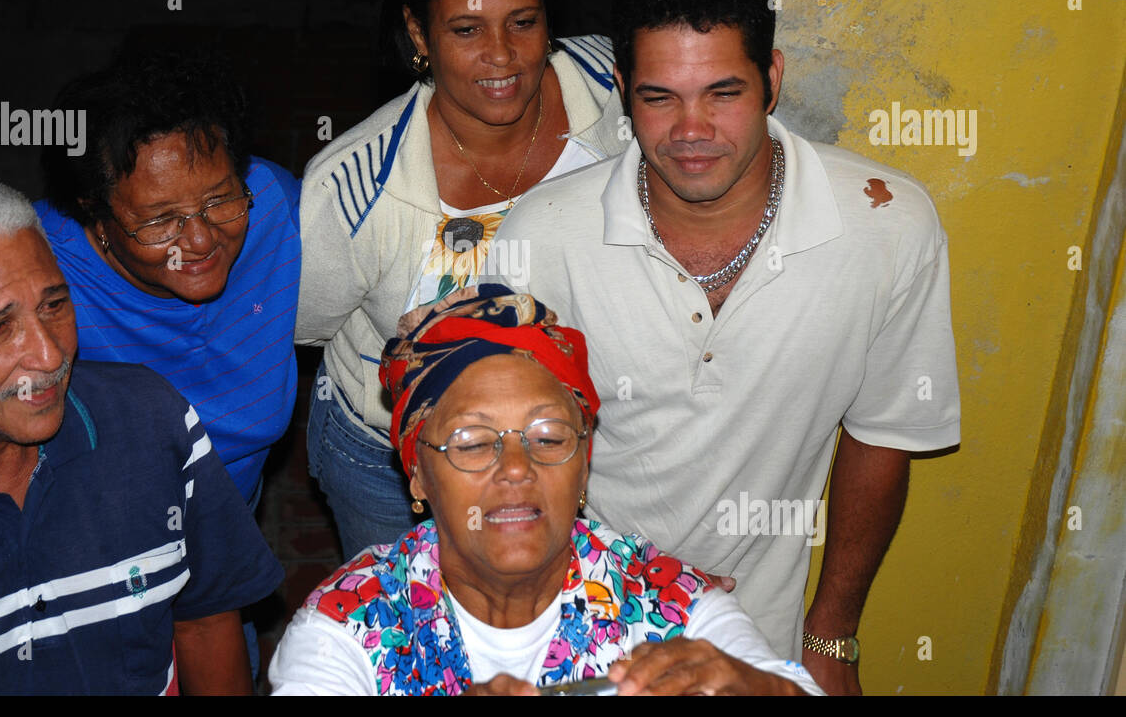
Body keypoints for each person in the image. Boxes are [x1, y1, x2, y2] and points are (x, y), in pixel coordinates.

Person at [487, 0, 962, 695]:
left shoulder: (888, 227)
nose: (692, 130)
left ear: (771, 82)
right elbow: (507, 452)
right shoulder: (539, 239)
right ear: (621, 91)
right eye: (659, 97)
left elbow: (885, 434)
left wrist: (830, 638)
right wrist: (633, 578)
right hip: (570, 620)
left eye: (723, 92)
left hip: (756, 641)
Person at [0, 49, 298, 682]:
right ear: (96, 219)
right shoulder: (34, 262)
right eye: (158, 221)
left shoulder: (270, 212)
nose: (202, 238)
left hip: (208, 541)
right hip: (89, 536)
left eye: (217, 201)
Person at [270, 286, 819, 695]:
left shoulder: (667, 604)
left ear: (583, 465)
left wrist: (768, 689)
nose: (515, 467)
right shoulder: (351, 624)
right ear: (417, 474)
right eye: (471, 441)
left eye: (549, 436)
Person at [297, 0, 625, 560]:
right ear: (419, 35)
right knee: (414, 631)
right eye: (466, 30)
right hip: (390, 461)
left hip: (565, 429)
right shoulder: (355, 186)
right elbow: (310, 323)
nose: (501, 56)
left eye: (523, 23)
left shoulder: (616, 87)